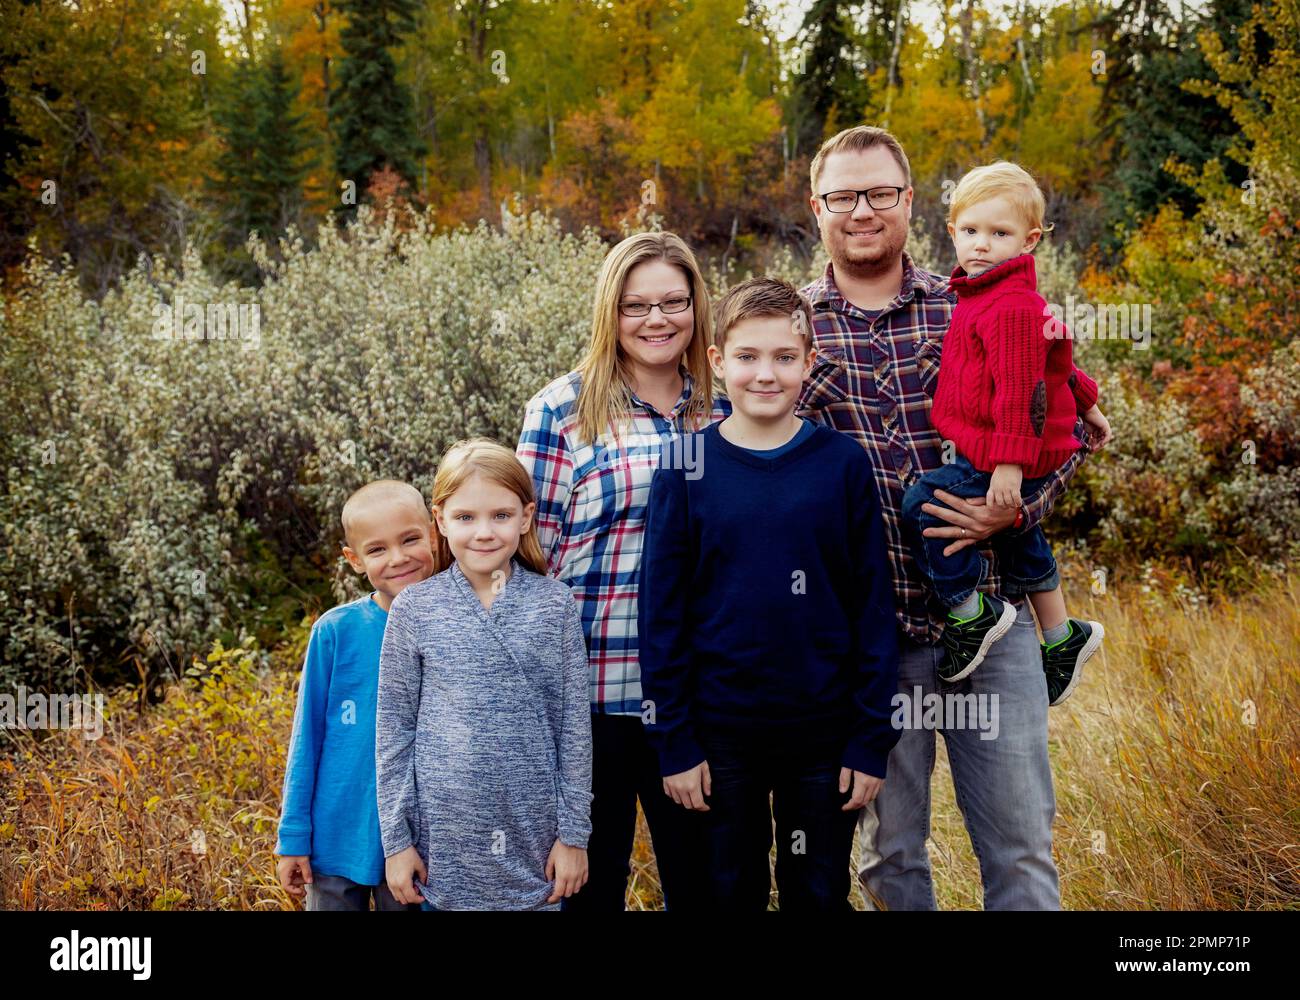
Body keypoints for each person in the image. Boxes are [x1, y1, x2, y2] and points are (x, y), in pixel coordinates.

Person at [798, 124, 1098, 910]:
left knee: (1020, 851)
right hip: (870, 646)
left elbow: (1061, 427)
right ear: (815, 206)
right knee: (891, 860)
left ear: (908, 201)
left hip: (992, 633)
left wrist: (1012, 510)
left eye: (880, 193)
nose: (861, 210)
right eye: (842, 196)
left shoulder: (981, 298)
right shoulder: (788, 333)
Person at [639, 276, 899, 910]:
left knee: (817, 889)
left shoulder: (841, 464)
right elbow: (661, 615)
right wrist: (675, 741)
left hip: (825, 735)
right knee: (731, 890)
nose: (766, 374)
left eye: (785, 358)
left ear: (809, 363)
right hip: (720, 733)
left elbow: (872, 606)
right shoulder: (685, 467)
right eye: (748, 356)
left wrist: (870, 739)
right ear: (717, 360)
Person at [516, 231, 729, 910]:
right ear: (611, 311)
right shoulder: (562, 410)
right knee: (586, 888)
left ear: (697, 306)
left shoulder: (726, 409)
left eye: (674, 301)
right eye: (637, 306)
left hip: (697, 699)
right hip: (588, 698)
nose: (657, 319)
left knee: (705, 886)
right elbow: (528, 558)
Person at [901, 160, 1111, 703]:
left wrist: (1009, 466)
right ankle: (1062, 635)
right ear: (951, 231)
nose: (981, 245)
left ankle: (970, 613)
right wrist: (1087, 401)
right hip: (1000, 447)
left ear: (1029, 240)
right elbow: (1054, 356)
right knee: (1019, 536)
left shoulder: (1009, 303)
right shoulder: (984, 294)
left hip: (999, 449)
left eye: (999, 234)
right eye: (970, 231)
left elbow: (1020, 388)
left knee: (924, 503)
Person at [376, 439, 592, 911]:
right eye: (466, 517)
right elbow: (394, 732)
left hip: (536, 850)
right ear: (440, 519)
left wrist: (574, 835)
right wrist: (397, 843)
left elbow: (574, 729)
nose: (484, 532)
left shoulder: (553, 604)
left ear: (526, 517)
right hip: (442, 850)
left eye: (501, 515)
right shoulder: (416, 608)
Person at [274, 479, 434, 911]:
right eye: (377, 549)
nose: (398, 558)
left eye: (410, 539)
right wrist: (293, 837)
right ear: (354, 560)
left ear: (434, 533)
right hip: (335, 837)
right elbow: (306, 740)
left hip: (417, 846)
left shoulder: (449, 627)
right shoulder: (335, 631)